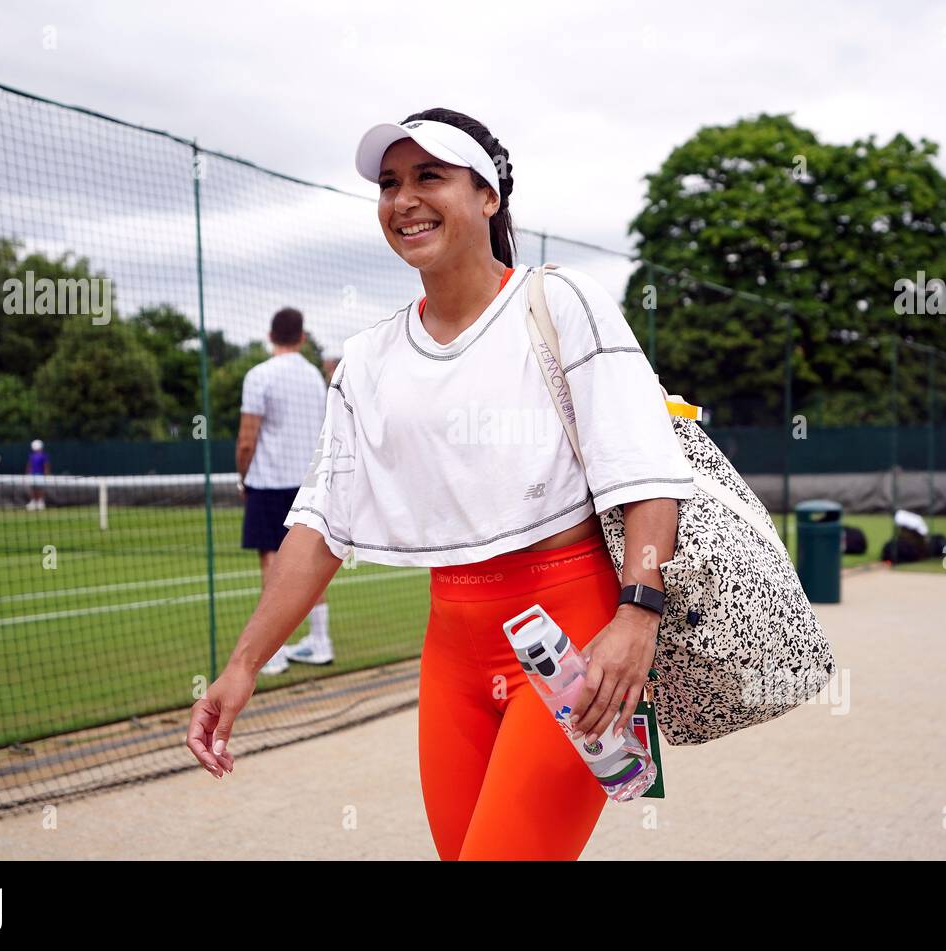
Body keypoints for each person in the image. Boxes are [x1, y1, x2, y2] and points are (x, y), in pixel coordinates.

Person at [188, 109, 693, 861]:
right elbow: (320, 523)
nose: (403, 199)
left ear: (488, 195)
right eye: (390, 183)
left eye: (430, 176)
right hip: (452, 648)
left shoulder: (563, 304)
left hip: (571, 637)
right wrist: (242, 665)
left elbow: (648, 472)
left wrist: (637, 614)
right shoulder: (366, 360)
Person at [236, 307, 332, 673]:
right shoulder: (313, 377)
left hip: (270, 482)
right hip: (308, 483)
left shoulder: (259, 375)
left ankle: (273, 653)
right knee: (310, 563)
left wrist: (241, 477)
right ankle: (320, 641)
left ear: (269, 335)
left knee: (272, 562)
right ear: (302, 337)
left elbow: (247, 439)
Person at [25, 439, 50, 510]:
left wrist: (47, 474)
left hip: (40, 475)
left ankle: (40, 502)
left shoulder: (44, 456)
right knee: (33, 489)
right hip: (32, 474)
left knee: (40, 489)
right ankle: (33, 502)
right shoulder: (31, 456)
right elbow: (29, 465)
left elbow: (46, 466)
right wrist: (27, 474)